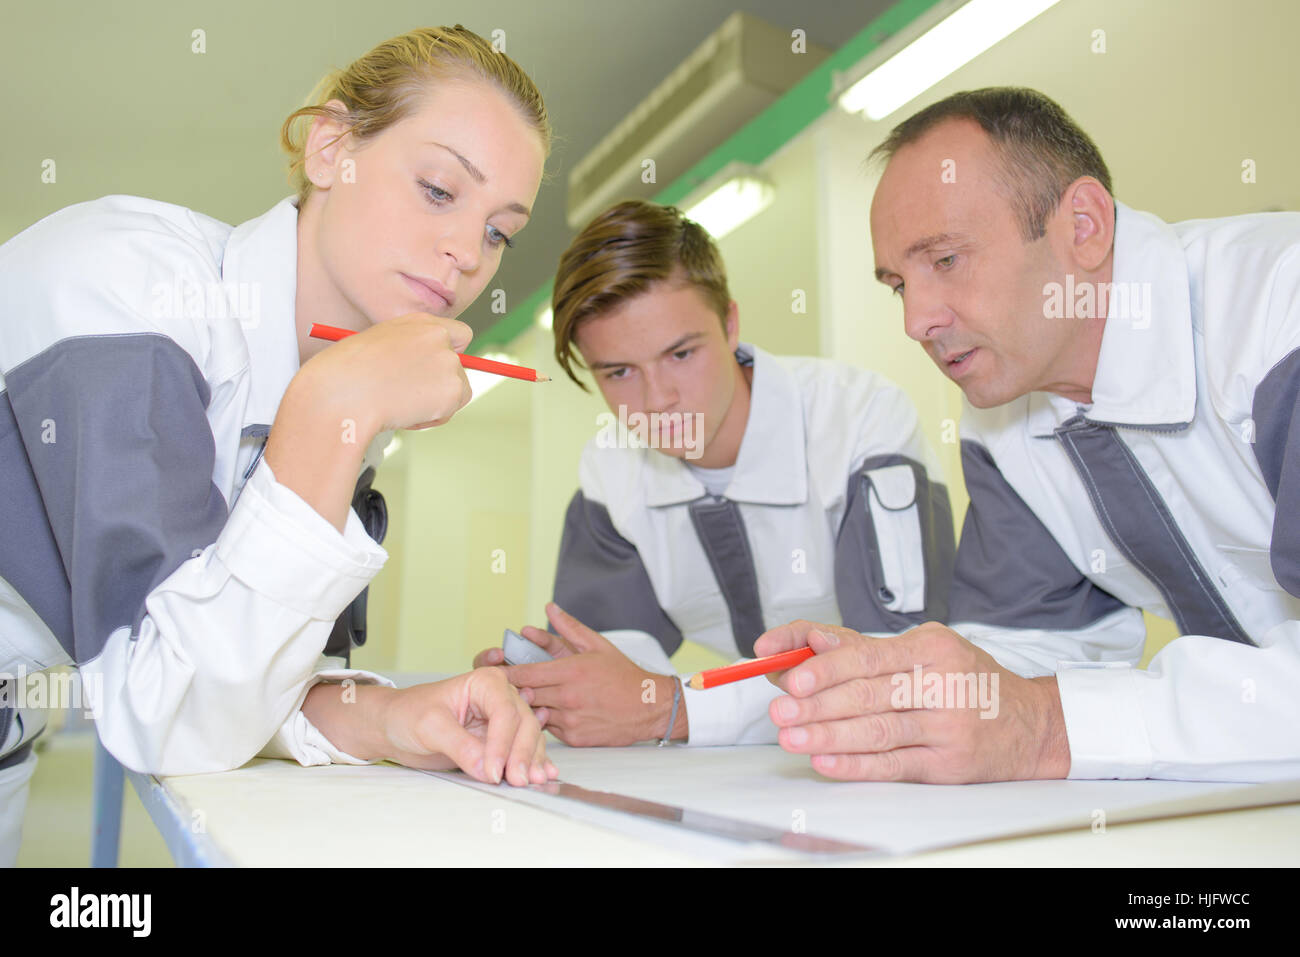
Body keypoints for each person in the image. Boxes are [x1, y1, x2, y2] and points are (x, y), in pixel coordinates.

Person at [0, 25, 558, 866]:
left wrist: (385, 716)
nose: (466, 255)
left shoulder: (323, 386)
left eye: (499, 231)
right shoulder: (128, 284)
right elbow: (164, 710)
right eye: (441, 188)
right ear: (331, 146)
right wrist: (337, 402)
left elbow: (233, 685)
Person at [757, 87, 1300, 784]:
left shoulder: (1278, 315)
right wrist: (893, 682)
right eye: (898, 283)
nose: (916, 320)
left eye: (946, 260)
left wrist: (1044, 725)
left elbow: (1040, 711)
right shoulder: (1003, 421)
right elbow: (1036, 653)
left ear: (1083, 226)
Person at [473, 200, 955, 747]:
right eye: (620, 372)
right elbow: (624, 671)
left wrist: (674, 709)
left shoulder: (862, 422)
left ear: (729, 324)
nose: (658, 401)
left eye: (680, 354)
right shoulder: (610, 470)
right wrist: (567, 685)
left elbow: (895, 667)